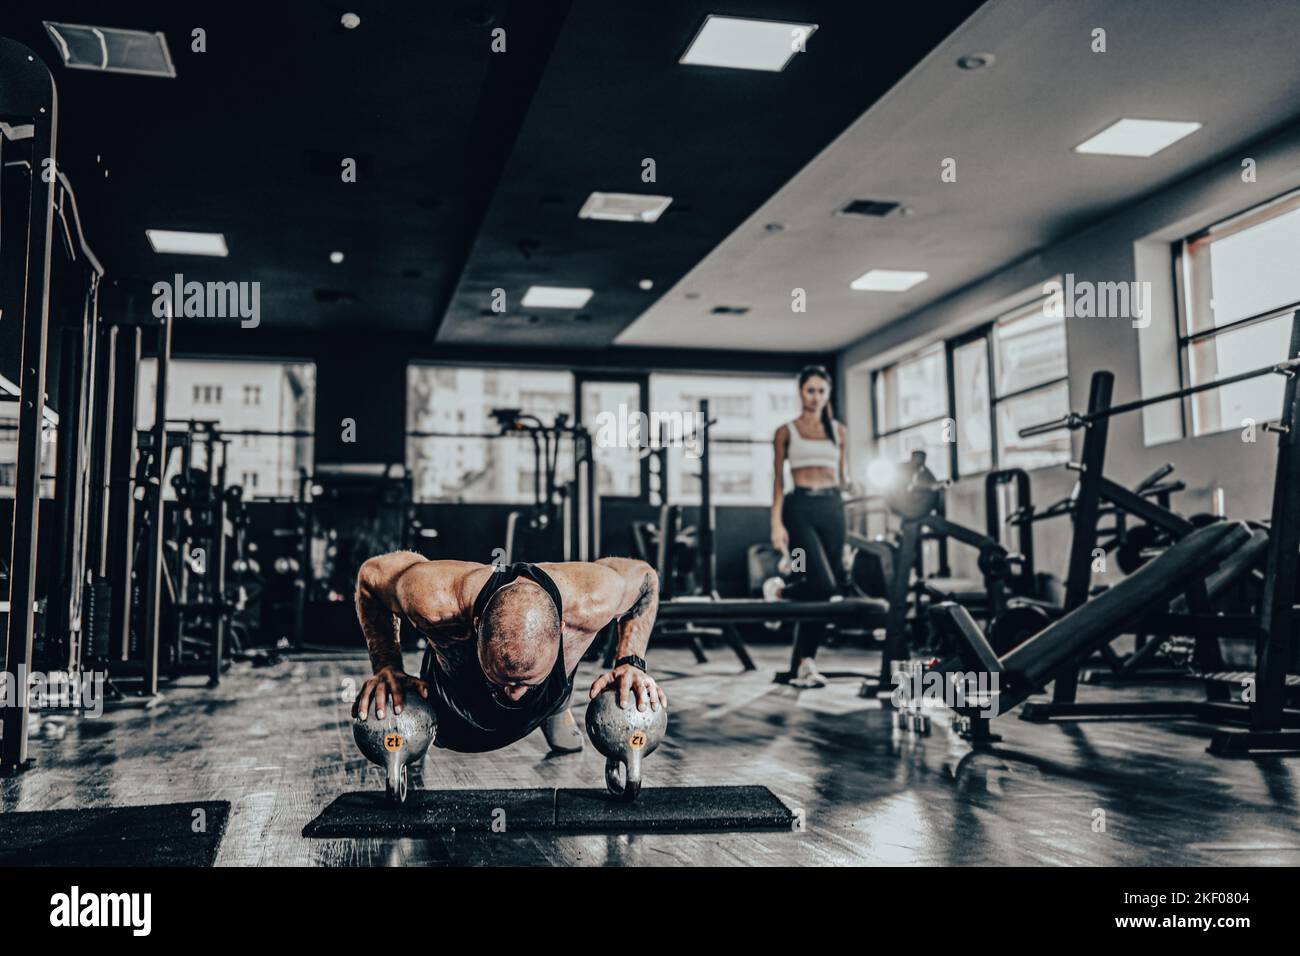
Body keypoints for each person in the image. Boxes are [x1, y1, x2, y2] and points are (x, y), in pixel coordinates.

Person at [351, 555, 664, 754]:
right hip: (452, 710)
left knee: (560, 733)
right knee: (443, 737)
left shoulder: (593, 598)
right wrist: (386, 667)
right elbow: (370, 577)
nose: (514, 694)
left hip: (552, 695)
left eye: (526, 682)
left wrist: (630, 662)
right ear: (475, 627)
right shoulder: (434, 599)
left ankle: (555, 710)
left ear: (562, 628)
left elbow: (646, 578)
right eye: (504, 679)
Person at [770, 365, 851, 688]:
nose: (816, 397)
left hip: (833, 508)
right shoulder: (786, 431)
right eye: (810, 390)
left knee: (821, 591)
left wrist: (853, 486)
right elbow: (777, 480)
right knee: (822, 583)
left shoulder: (839, 432)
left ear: (827, 394)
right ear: (801, 393)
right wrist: (776, 523)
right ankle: (785, 588)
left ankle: (805, 662)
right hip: (799, 508)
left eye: (821, 391)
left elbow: (844, 477)